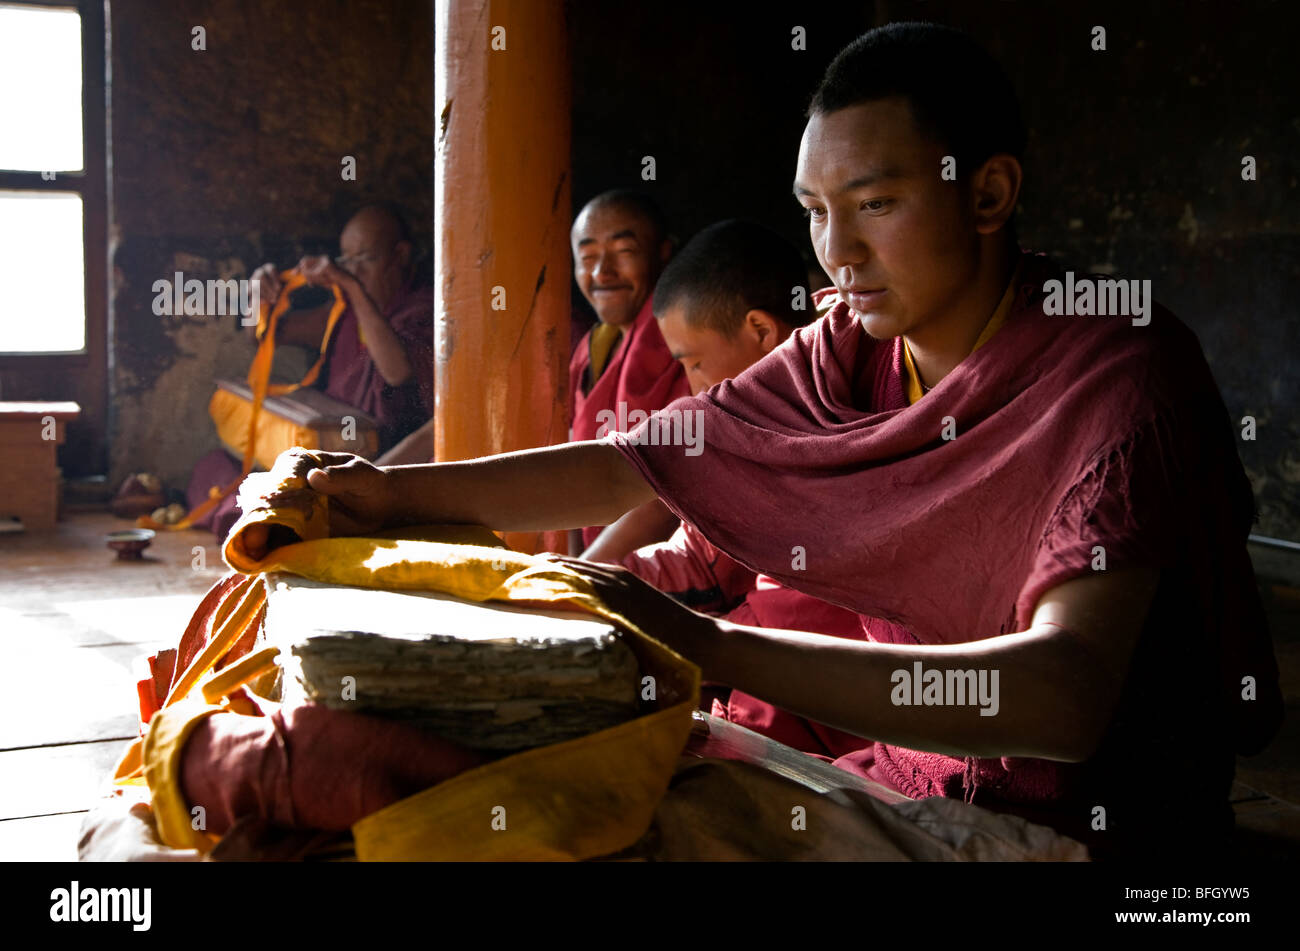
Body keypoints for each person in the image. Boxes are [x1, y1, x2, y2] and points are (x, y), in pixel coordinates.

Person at [251, 23, 1282, 859]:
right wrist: (389, 498)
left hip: (1094, 832)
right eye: (816, 213)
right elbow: (650, 457)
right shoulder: (851, 342)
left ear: (988, 193)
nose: (839, 252)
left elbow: (1063, 701)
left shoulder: (1118, 374)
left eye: (875, 204)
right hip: (914, 772)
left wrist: (714, 646)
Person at [590, 218, 873, 757]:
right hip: (757, 669)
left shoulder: (850, 407)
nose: (694, 385)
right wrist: (607, 582)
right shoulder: (750, 423)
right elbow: (700, 552)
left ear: (762, 332)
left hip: (832, 707)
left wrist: (692, 634)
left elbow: (800, 614)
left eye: (694, 362)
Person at [187, 202, 433, 537]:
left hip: (379, 457)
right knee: (213, 469)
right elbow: (266, 334)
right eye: (347, 260)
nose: (355, 270)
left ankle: (277, 521)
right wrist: (259, 298)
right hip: (324, 440)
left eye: (367, 259)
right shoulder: (342, 311)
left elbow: (397, 372)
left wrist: (352, 288)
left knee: (292, 498)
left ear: (401, 255)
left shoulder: (422, 308)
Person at [565, 189, 689, 553]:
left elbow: (671, 476)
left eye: (624, 253)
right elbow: (569, 462)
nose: (602, 272)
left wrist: (587, 571)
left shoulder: (679, 337)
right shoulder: (593, 347)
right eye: (587, 257)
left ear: (662, 254)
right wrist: (571, 563)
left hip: (661, 567)